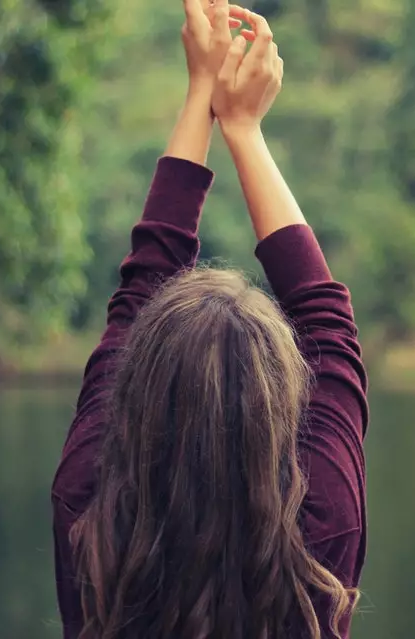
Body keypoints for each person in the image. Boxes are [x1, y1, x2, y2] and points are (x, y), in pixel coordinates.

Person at [51, 1, 369, 637]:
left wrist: (201, 92)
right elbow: (329, 325)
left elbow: (141, 286)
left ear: (138, 388)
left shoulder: (89, 519)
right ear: (284, 395)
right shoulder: (323, 527)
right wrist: (242, 126)